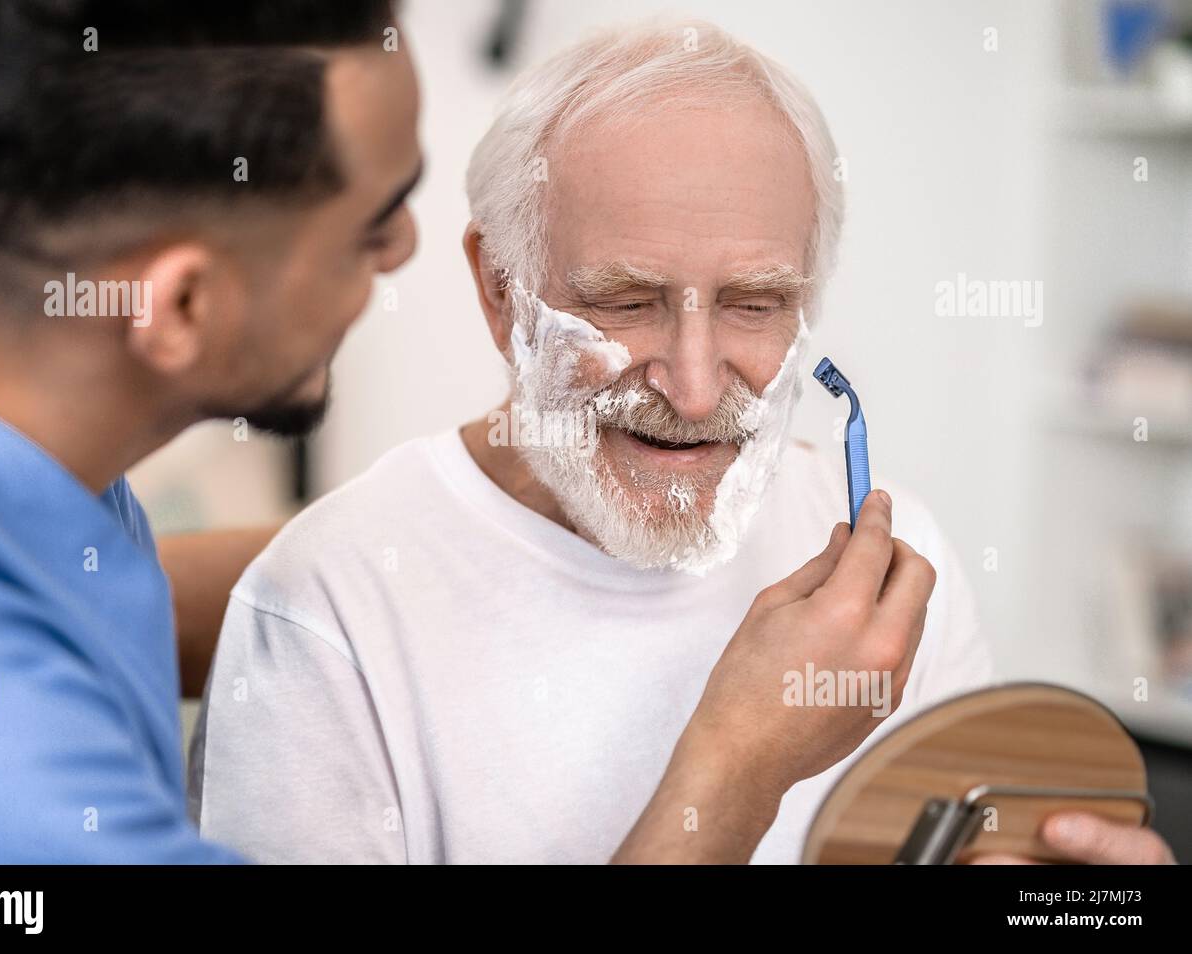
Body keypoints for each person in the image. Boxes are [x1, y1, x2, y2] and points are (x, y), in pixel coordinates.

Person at [191, 20, 1176, 866]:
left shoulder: (887, 569)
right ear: (500, 291)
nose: (696, 387)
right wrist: (735, 765)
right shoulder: (324, 612)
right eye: (625, 301)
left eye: (755, 304)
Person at [0, 0, 419, 862]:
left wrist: (438, 535)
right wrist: (722, 745)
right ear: (179, 306)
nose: (404, 247)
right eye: (370, 227)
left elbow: (71, 588)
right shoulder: (15, 802)